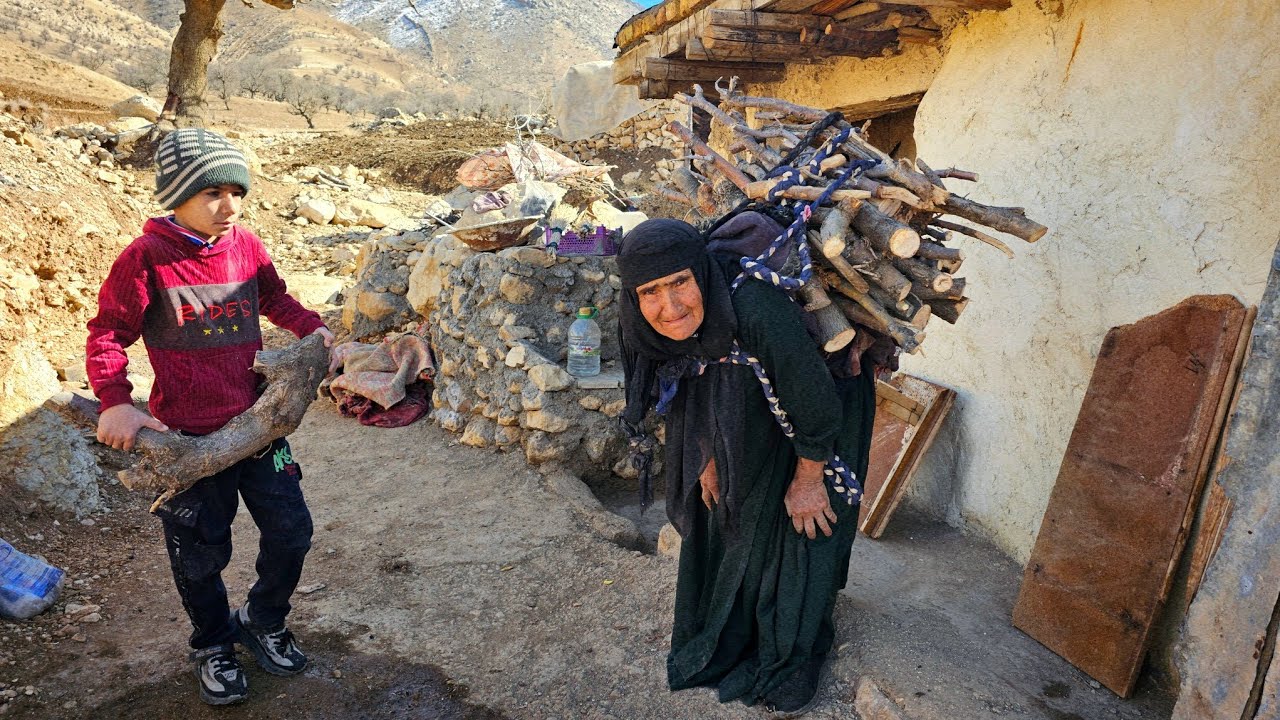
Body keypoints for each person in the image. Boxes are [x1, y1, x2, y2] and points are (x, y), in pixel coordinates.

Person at [86, 128, 334, 706]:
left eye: (236, 191)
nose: (229, 206)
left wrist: (312, 328)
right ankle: (214, 643)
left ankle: (263, 620)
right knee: (200, 555)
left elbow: (275, 298)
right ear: (177, 194)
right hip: (188, 443)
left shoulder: (245, 245)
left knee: (292, 532)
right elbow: (108, 334)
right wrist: (116, 400)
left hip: (257, 428)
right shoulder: (145, 259)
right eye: (211, 193)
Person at [617, 219, 877, 716]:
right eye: (650, 290)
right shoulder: (642, 324)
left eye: (679, 283)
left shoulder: (753, 308)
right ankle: (735, 632)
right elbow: (685, 380)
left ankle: (793, 646)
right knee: (731, 513)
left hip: (821, 405)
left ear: (702, 275)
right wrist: (706, 454)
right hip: (737, 402)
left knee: (802, 530)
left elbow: (814, 404)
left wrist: (807, 480)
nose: (669, 307)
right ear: (633, 294)